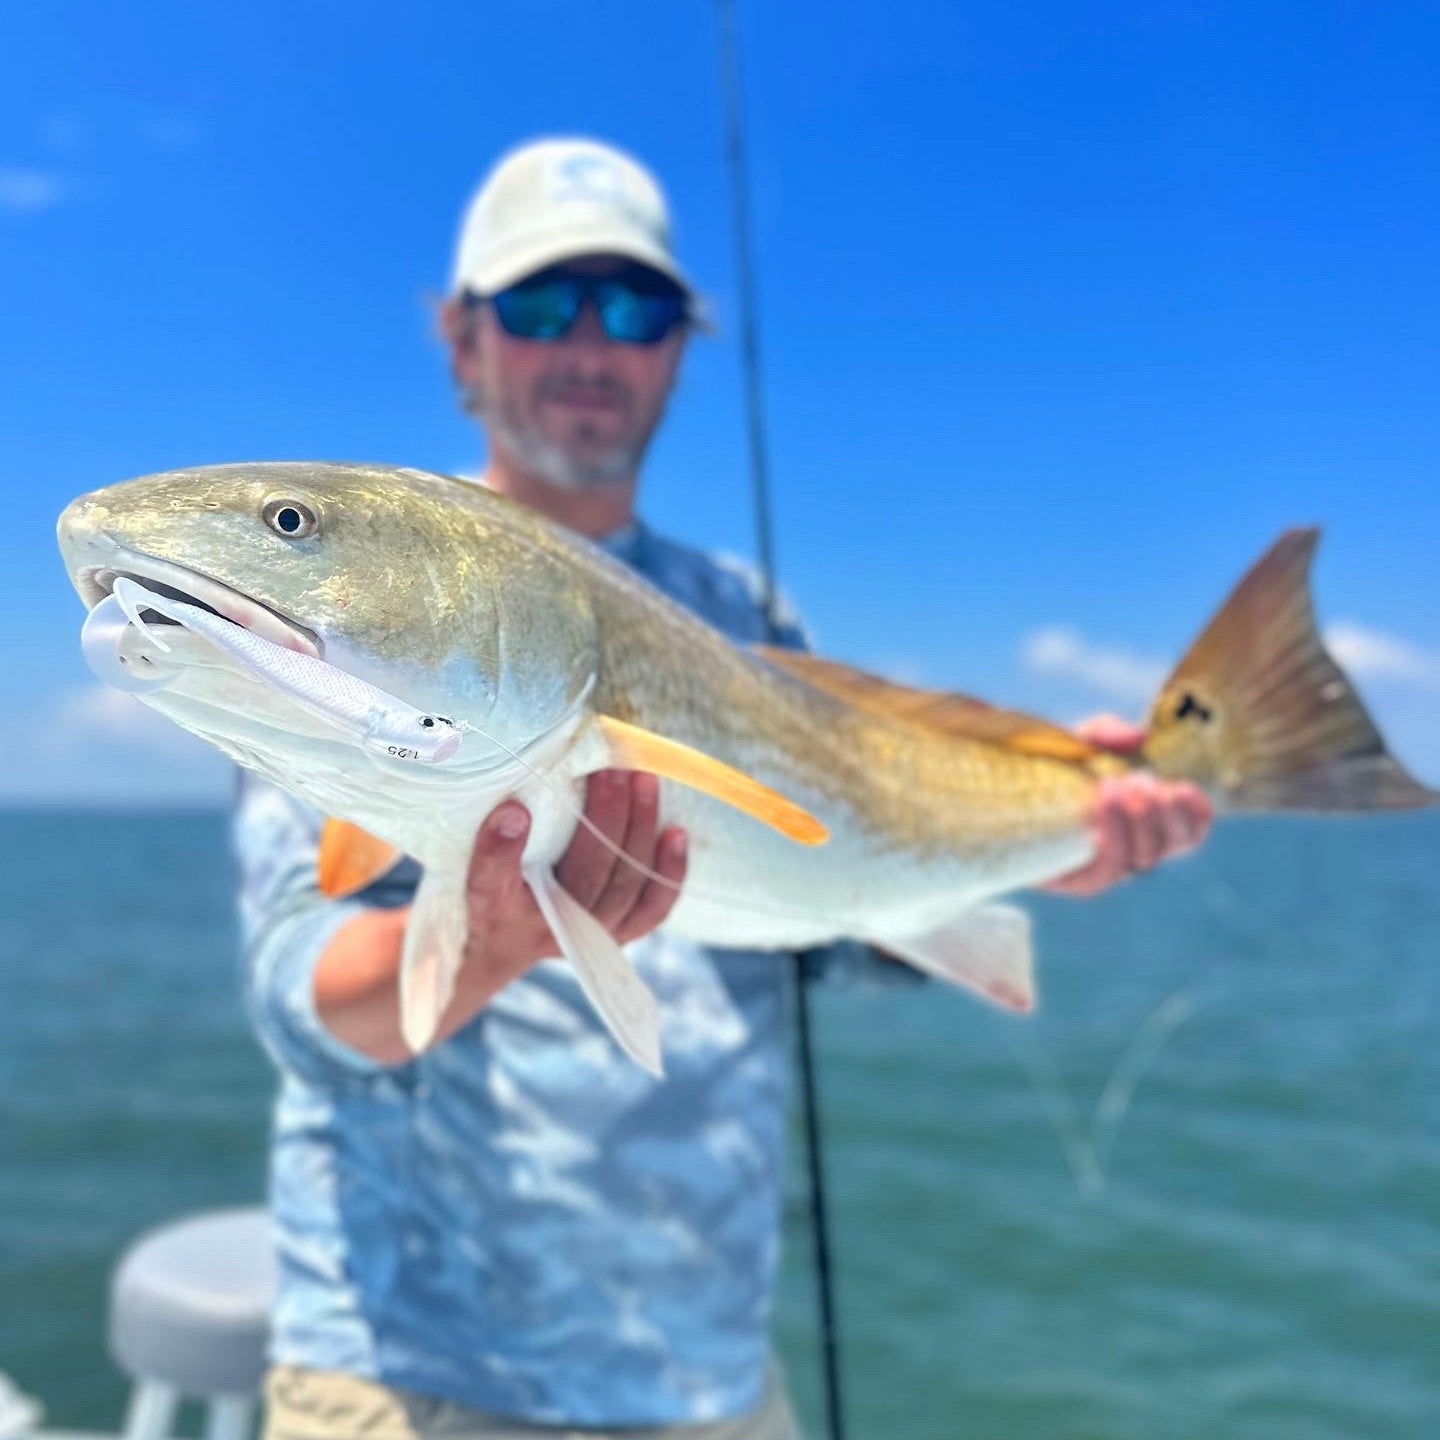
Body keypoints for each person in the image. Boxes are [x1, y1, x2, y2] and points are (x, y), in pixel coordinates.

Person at [237, 136, 1213, 1440]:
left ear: (678, 350)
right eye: (538, 304)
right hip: (419, 1373)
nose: (588, 342)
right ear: (464, 344)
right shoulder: (352, 610)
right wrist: (489, 940)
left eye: (634, 307)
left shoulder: (748, 614)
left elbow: (818, 918)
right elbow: (296, 995)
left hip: (710, 1378)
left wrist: (1048, 839)